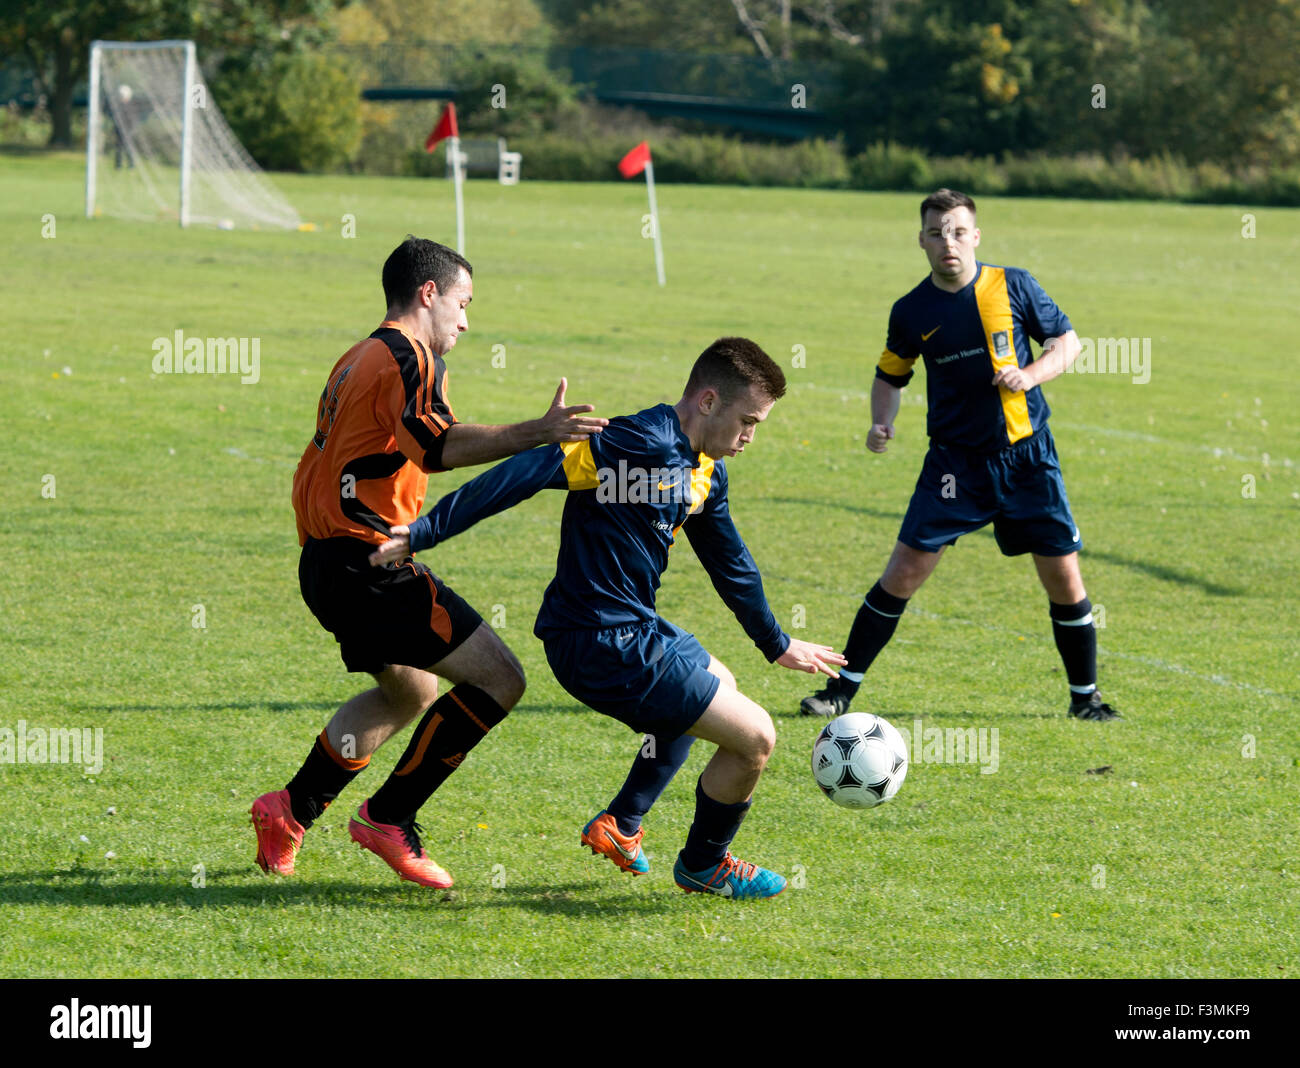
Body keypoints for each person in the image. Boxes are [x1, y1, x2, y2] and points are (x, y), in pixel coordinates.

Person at [370, 338, 847, 899]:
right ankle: (704, 864)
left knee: (720, 683)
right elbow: (525, 472)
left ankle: (622, 823)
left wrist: (777, 642)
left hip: (632, 630)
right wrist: (425, 532)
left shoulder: (705, 473)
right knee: (756, 738)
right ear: (709, 401)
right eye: (747, 421)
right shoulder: (634, 442)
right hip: (599, 641)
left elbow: (731, 565)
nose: (749, 436)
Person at [250, 236, 607, 887]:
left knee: (411, 689)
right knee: (501, 679)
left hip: (325, 564)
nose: (467, 321)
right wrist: (538, 430)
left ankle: (289, 811)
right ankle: (389, 816)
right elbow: (437, 446)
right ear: (429, 294)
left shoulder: (357, 355)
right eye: (464, 303)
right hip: (370, 564)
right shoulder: (410, 356)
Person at [801, 189, 1122, 723]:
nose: (947, 242)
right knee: (902, 574)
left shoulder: (1012, 284)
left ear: (975, 235)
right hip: (954, 466)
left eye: (956, 231)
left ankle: (1085, 699)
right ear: (921, 240)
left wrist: (1030, 375)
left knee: (1064, 579)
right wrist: (882, 420)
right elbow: (890, 375)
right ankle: (840, 691)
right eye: (936, 232)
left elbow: (1067, 342)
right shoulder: (911, 311)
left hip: (1027, 458)